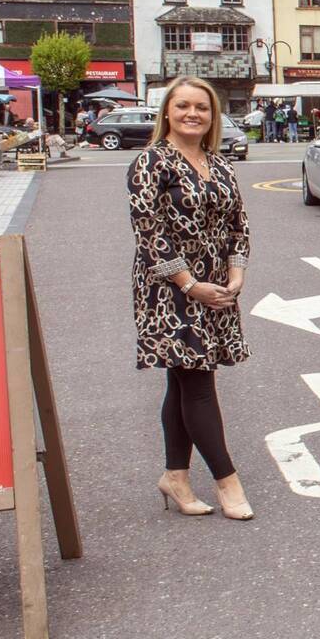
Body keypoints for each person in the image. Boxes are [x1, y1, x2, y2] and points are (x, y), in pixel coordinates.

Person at [127, 76, 257, 521]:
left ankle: (175, 477)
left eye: (201, 107)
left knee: (181, 380)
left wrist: (236, 272)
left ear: (212, 116)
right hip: (169, 289)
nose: (192, 114)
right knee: (198, 383)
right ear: (167, 111)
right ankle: (228, 482)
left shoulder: (220, 164)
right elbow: (149, 233)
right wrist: (189, 284)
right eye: (182, 105)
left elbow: (239, 223)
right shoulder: (150, 163)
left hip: (216, 287)